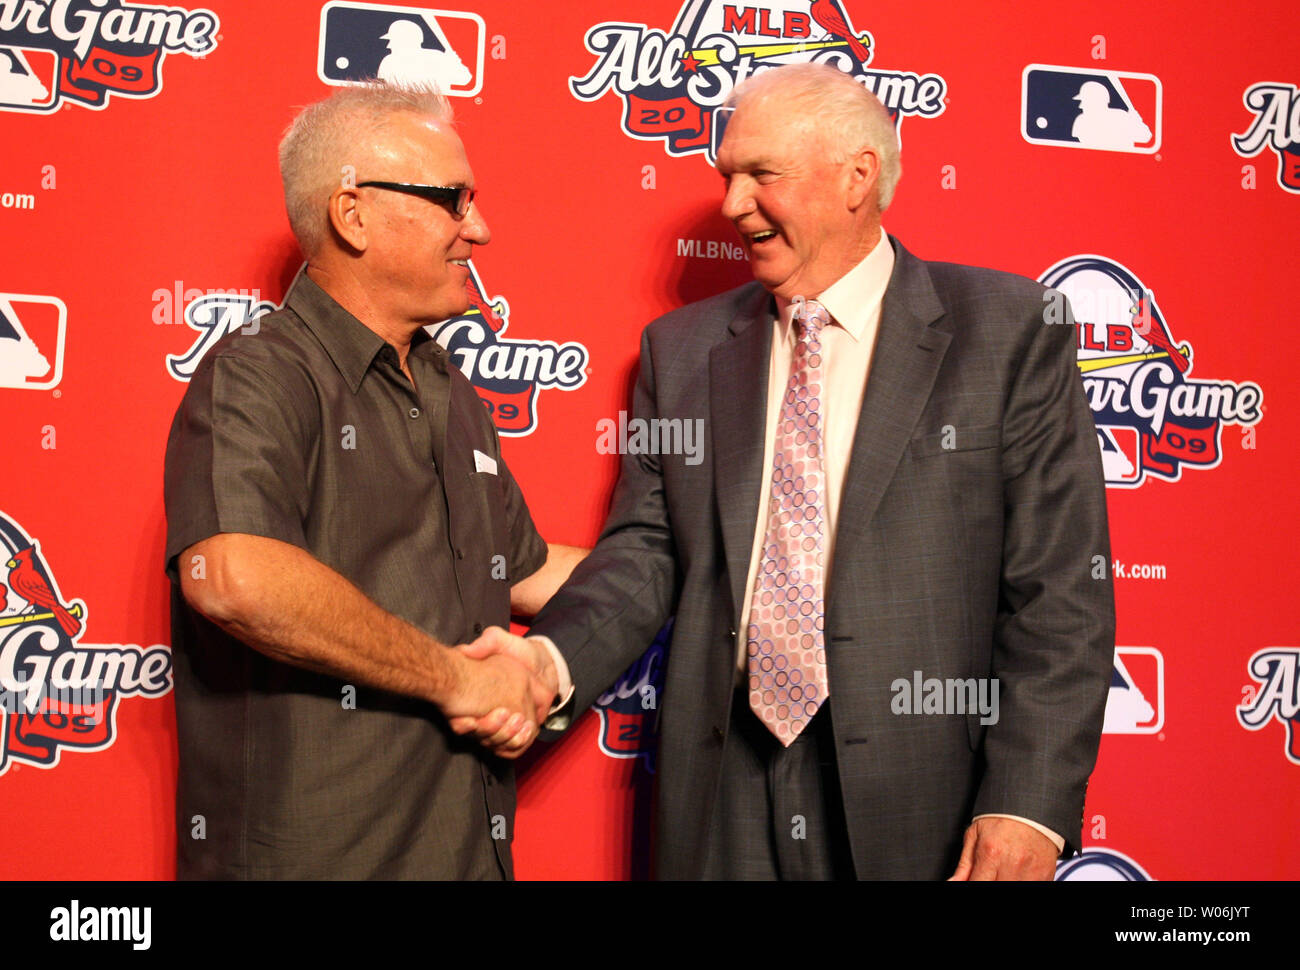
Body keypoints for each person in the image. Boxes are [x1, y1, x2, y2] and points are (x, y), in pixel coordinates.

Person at [457, 63, 1116, 880]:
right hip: (721, 780)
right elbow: (646, 553)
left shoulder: (1008, 331)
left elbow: (1061, 596)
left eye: (759, 174)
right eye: (727, 177)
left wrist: (1026, 802)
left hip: (928, 793)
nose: (733, 204)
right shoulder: (685, 349)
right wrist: (546, 664)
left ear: (858, 177)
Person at [163, 81, 582, 879]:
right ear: (351, 215)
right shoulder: (257, 376)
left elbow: (524, 572)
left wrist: (718, 576)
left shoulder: (451, 390)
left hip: (465, 854)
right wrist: (457, 680)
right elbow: (236, 578)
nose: (480, 229)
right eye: (452, 201)